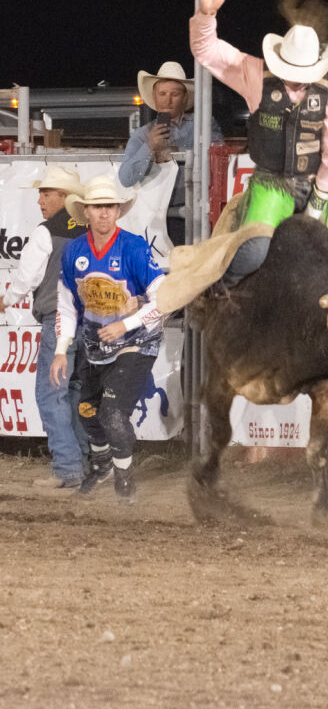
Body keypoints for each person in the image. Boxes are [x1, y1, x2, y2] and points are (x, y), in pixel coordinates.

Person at [189, 0, 328, 284]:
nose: (297, 78)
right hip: (271, 183)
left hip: (320, 186)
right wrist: (207, 15)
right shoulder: (254, 76)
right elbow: (207, 52)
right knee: (254, 252)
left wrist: (316, 206)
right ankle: (222, 293)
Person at [52, 173, 167, 502]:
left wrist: (127, 324)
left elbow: (163, 299)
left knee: (112, 414)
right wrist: (61, 349)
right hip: (95, 345)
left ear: (118, 211)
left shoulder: (133, 247)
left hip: (137, 343)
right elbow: (67, 304)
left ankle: (124, 476)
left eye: (110, 206)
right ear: (86, 212)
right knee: (87, 410)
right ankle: (102, 464)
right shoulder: (74, 252)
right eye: (98, 207)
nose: (104, 213)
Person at [0, 167, 88, 491]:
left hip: (60, 320)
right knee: (76, 393)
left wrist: (6, 300)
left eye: (46, 193)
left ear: (64, 197)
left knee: (50, 394)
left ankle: (67, 468)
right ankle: (83, 462)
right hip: (89, 323)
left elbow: (27, 278)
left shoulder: (46, 232)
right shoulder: (91, 229)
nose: (40, 200)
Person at [119, 60, 221, 246]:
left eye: (174, 94)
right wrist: (149, 146)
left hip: (196, 214)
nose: (168, 100)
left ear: (184, 98)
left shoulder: (203, 125)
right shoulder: (142, 136)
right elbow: (126, 178)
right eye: (163, 94)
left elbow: (218, 160)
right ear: (154, 97)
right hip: (153, 218)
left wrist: (178, 153)